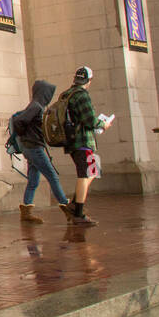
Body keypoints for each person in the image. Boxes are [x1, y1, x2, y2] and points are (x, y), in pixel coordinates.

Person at [11, 80, 69, 223]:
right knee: (53, 177)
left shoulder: (35, 106)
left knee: (33, 181)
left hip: (31, 147)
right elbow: (19, 122)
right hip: (34, 148)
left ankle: (26, 212)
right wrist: (27, 136)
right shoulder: (36, 107)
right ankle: (68, 209)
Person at [59, 65, 109, 227]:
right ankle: (78, 213)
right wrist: (103, 124)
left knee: (93, 171)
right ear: (89, 81)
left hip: (71, 141)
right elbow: (90, 120)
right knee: (85, 174)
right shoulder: (82, 96)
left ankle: (74, 205)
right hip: (82, 141)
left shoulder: (65, 94)